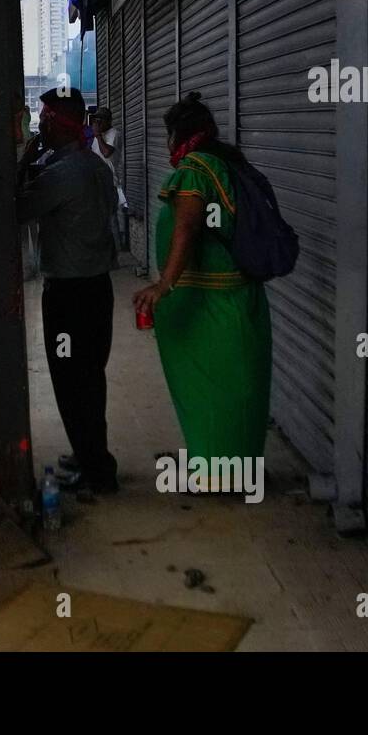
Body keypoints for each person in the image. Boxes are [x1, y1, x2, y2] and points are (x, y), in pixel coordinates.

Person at [132, 91, 272, 472]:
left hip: (212, 312)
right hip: (236, 302)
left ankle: (219, 474)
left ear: (178, 135)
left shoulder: (195, 170)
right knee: (232, 394)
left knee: (213, 394)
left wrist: (164, 284)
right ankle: (224, 469)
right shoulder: (225, 164)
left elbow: (189, 225)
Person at [16, 87, 120, 495]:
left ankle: (97, 473)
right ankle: (90, 455)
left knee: (72, 382)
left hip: (70, 297)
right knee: (89, 379)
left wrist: (24, 158)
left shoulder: (62, 174)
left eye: (44, 121)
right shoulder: (94, 167)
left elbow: (18, 208)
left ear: (59, 126)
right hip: (98, 289)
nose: (39, 126)